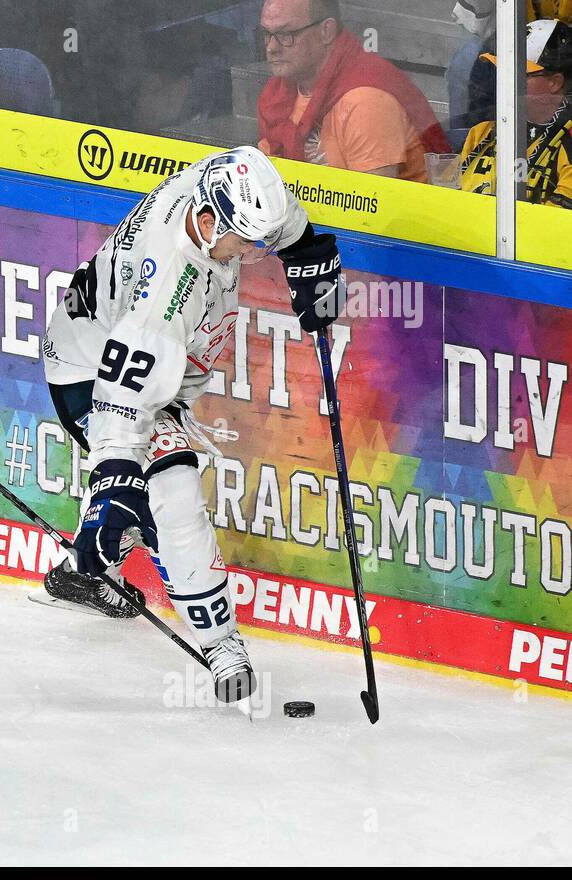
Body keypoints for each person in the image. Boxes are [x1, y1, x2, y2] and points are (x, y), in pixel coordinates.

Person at [38, 146, 345, 704]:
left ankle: (83, 567)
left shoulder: (226, 181)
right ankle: (222, 646)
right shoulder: (167, 291)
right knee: (169, 490)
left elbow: (278, 218)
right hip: (94, 373)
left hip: (146, 367)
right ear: (207, 224)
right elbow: (122, 404)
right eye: (243, 243)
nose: (251, 255)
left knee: (149, 502)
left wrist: (310, 259)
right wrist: (114, 478)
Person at [257, 0, 450, 180]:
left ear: (326, 31)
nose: (271, 48)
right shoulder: (279, 92)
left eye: (285, 35)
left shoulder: (366, 100)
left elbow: (373, 204)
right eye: (266, 33)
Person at [460, 18, 572, 207]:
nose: (504, 80)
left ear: (555, 82)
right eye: (501, 70)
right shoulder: (480, 132)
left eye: (517, 73)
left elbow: (552, 227)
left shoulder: (568, 141)